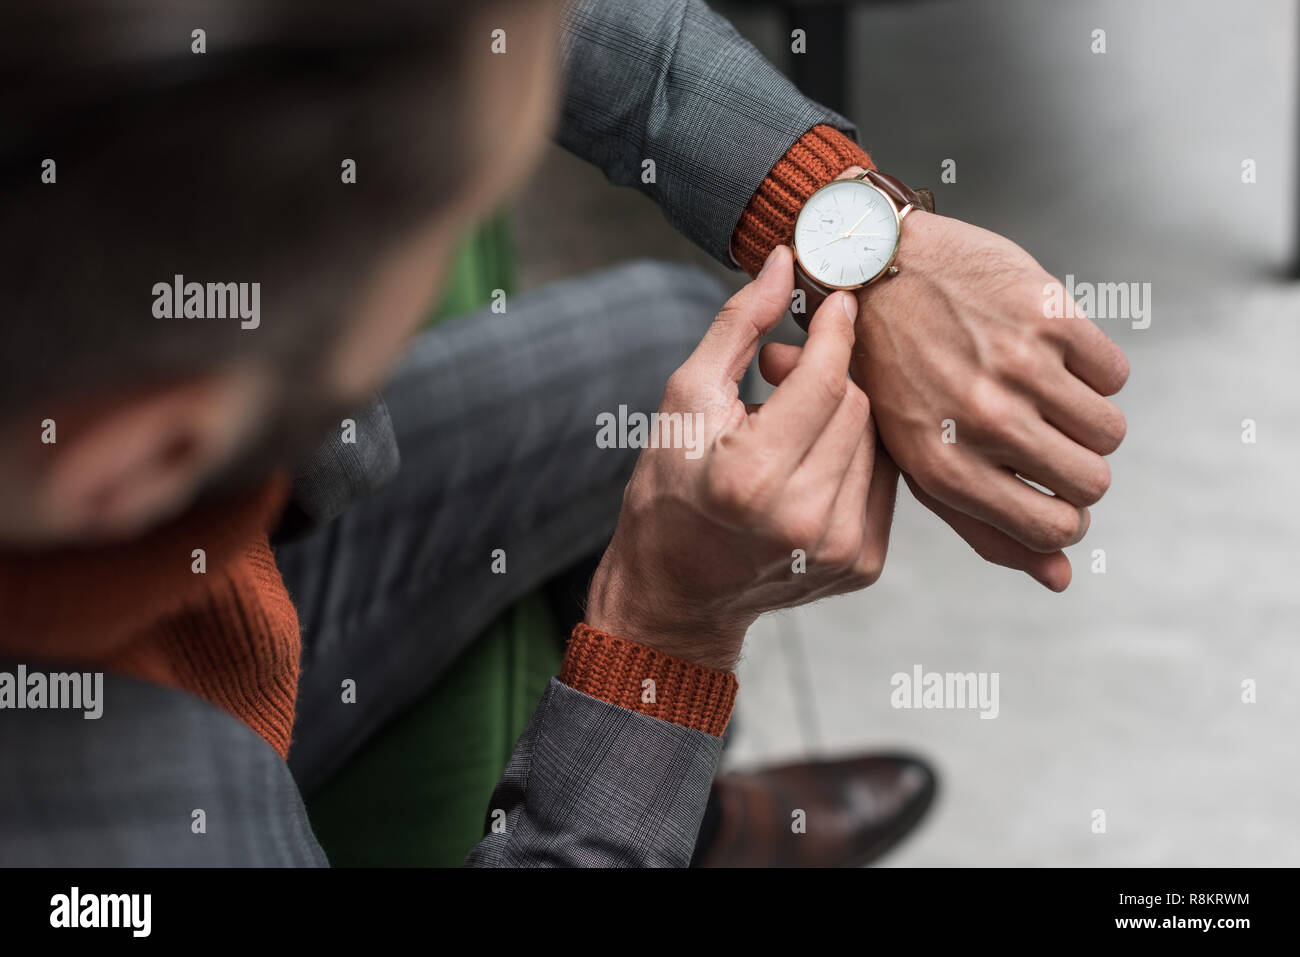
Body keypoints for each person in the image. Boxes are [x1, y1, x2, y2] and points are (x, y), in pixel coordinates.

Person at [0, 0, 1126, 866]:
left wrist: (854, 226)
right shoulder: (140, 825)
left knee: (663, 348)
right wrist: (666, 633)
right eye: (431, 244)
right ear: (151, 452)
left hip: (222, 554)